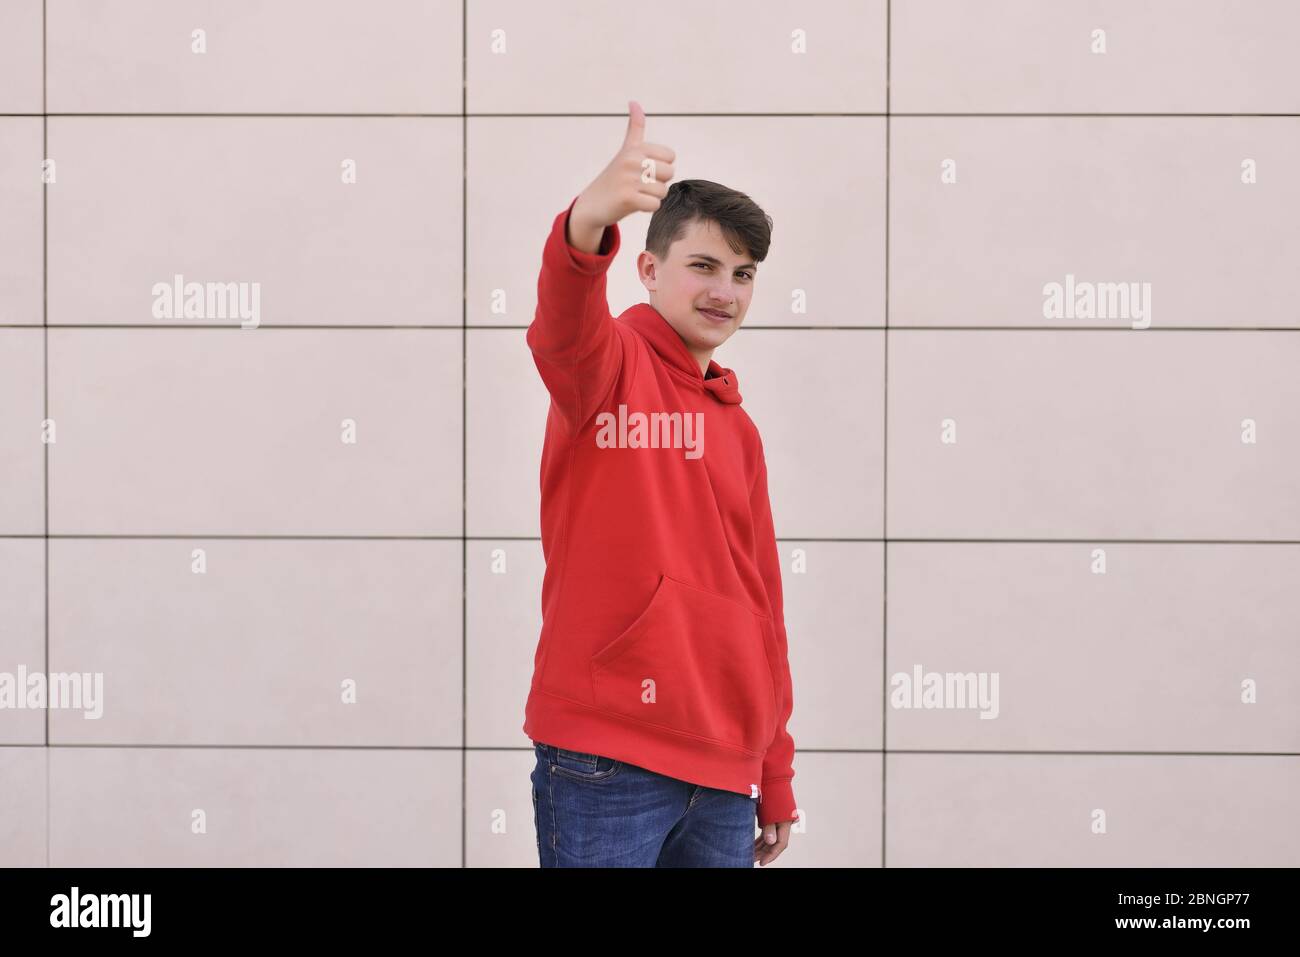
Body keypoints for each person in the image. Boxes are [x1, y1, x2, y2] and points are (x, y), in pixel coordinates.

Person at [523, 100, 799, 867]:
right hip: (607, 762)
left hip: (723, 775)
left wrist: (773, 769)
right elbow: (560, 322)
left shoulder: (737, 426)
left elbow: (761, 601)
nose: (726, 291)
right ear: (648, 269)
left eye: (743, 274)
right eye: (704, 266)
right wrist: (587, 221)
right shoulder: (606, 370)